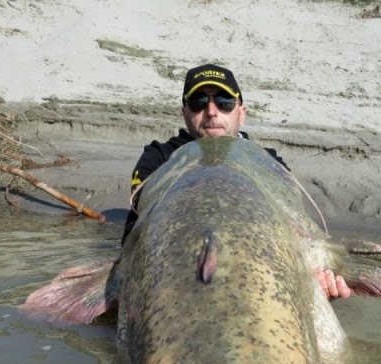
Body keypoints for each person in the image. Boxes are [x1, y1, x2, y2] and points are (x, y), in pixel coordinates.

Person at [123, 63, 350, 300]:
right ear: (184, 112)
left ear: (241, 112)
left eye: (224, 102)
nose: (211, 111)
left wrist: (318, 276)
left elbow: (293, 226)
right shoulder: (158, 157)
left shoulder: (269, 161)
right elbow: (139, 228)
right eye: (198, 102)